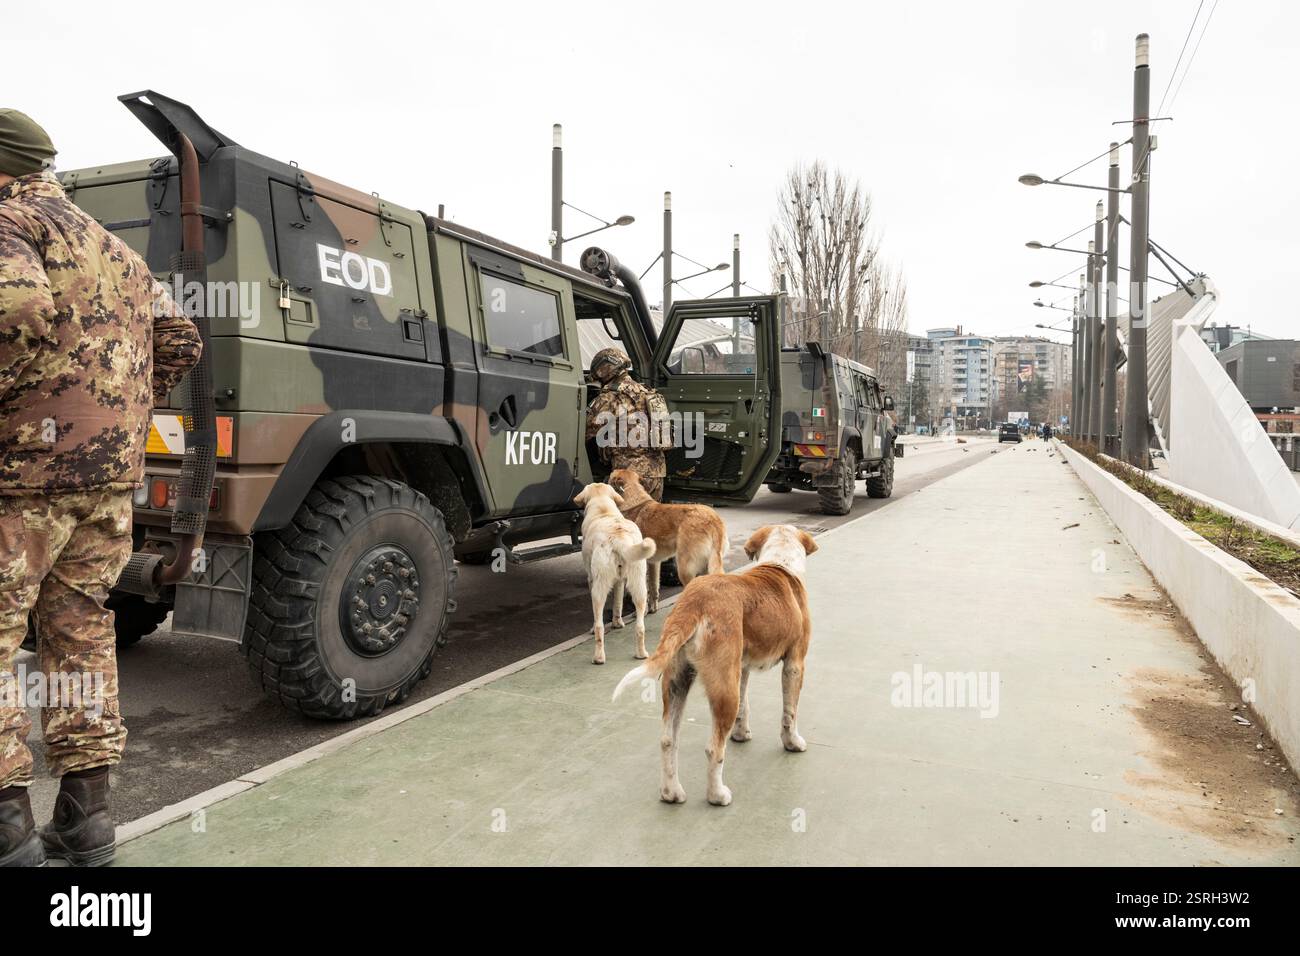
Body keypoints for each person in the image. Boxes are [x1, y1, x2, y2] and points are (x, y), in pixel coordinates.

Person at [0, 108, 202, 866]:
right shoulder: (114, 248)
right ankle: (85, 821)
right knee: (81, 637)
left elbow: (14, 310)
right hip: (105, 482)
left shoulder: (9, 223)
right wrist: (121, 415)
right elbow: (180, 337)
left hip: (18, 480)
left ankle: (9, 828)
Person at [585, 348, 670, 501]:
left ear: (604, 369)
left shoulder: (610, 396)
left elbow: (586, 429)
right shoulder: (648, 392)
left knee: (626, 522)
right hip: (657, 473)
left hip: (629, 474)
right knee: (648, 521)